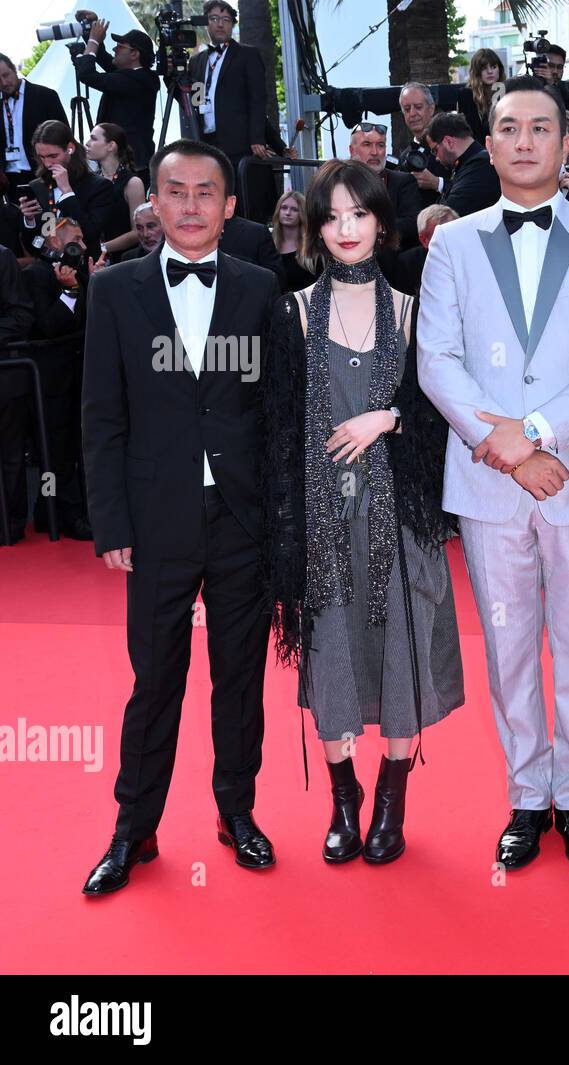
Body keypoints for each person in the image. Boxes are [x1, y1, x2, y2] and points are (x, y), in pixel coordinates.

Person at [418, 76, 569, 873]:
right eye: (508, 127)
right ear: (489, 141)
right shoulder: (453, 243)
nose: (523, 141)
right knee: (508, 650)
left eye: (541, 127)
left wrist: (535, 433)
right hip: (488, 480)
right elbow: (437, 361)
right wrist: (508, 448)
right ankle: (526, 797)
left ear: (567, 142)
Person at [79, 139, 282, 895]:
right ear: (153, 203)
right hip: (156, 518)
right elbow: (101, 416)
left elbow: (276, 413)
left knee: (240, 678)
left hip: (241, 518)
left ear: (230, 206)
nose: (191, 206)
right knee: (155, 679)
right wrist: (111, 525)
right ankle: (133, 828)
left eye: (205, 192)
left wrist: (279, 518)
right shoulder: (114, 289)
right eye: (176, 191)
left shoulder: (260, 287)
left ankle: (238, 811)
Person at [263, 159, 464, 866]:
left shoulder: (414, 310)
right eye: (332, 217)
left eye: (360, 214)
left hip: (399, 519)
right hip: (321, 523)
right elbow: (277, 433)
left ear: (382, 221)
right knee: (331, 655)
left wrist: (389, 417)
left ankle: (391, 800)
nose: (347, 229)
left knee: (401, 654)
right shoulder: (290, 313)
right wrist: (285, 530)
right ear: (315, 228)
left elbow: (444, 417)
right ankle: (343, 800)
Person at [20, 217, 99, 542]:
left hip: (76, 376)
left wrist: (93, 284)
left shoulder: (79, 274)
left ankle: (48, 510)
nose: (83, 246)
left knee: (72, 448)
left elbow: (89, 322)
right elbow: (49, 325)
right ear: (54, 240)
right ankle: (62, 513)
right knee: (56, 453)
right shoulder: (36, 275)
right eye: (76, 239)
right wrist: (69, 291)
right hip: (49, 382)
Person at [187, 1, 270, 218]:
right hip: (207, 140)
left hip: (238, 141)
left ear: (233, 24)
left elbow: (257, 99)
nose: (220, 24)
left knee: (241, 200)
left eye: (226, 20)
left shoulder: (247, 54)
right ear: (206, 23)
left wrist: (257, 138)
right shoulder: (197, 61)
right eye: (214, 19)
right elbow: (195, 99)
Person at [73, 21, 160, 180]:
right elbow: (106, 60)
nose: (114, 49)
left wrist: (93, 41)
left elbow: (87, 75)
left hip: (129, 163)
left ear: (134, 54)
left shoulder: (138, 80)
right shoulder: (135, 76)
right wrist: (90, 29)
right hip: (124, 159)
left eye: (120, 47)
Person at [19, 121, 115, 260]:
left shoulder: (99, 186)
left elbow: (89, 233)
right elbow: (33, 245)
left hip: (85, 265)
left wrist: (67, 192)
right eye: (42, 157)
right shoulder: (38, 187)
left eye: (53, 156)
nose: (47, 164)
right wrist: (29, 220)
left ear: (70, 148)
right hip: (47, 266)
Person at [0, 241, 33, 544]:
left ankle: (9, 524)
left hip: (5, 375)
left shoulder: (2, 257)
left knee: (10, 453)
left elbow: (21, 315)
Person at [0, 52, 69, 191]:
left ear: (14, 69)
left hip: (42, 174)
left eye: (6, 75)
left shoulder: (45, 96)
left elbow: (63, 136)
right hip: (7, 180)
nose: (4, 83)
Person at [348, 122, 422, 249]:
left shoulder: (404, 182)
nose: (375, 152)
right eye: (367, 144)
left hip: (391, 255)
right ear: (352, 150)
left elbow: (413, 223)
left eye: (380, 145)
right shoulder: (338, 183)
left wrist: (374, 228)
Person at [84, 123, 146, 260]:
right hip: (93, 259)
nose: (87, 143)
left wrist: (102, 248)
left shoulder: (132, 183)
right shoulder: (90, 180)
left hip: (123, 260)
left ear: (111, 146)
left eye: (94, 138)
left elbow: (138, 232)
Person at [427, 111, 500, 219]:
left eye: (435, 150)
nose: (436, 158)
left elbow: (447, 216)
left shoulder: (481, 165)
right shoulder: (468, 165)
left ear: (448, 142)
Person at [396, 82, 448, 211]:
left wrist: (437, 183)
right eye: (407, 109)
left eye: (418, 107)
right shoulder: (404, 157)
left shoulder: (450, 143)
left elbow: (472, 184)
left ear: (431, 108)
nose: (412, 113)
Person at [270, 188, 316, 292]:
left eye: (294, 209)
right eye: (284, 208)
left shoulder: (312, 247)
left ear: (302, 213)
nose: (288, 213)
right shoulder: (268, 243)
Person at [459, 48, 505, 145]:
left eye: (493, 67)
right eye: (484, 68)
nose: (490, 71)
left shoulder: (507, 92)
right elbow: (470, 132)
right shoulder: (467, 94)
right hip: (480, 149)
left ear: (499, 69)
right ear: (476, 72)